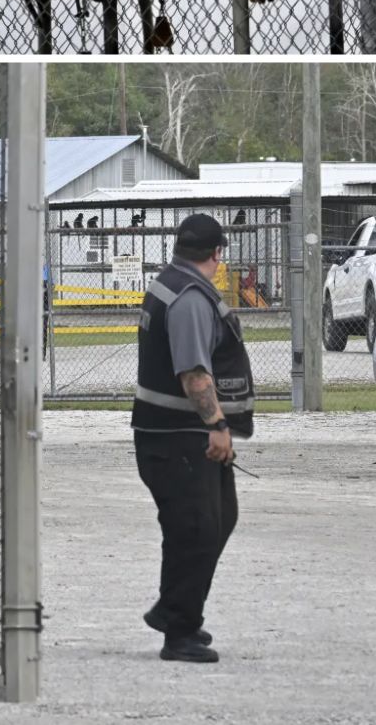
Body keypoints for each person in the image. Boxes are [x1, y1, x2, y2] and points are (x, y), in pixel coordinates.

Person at [131, 212, 255, 663]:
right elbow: (194, 373)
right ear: (218, 254)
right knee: (198, 528)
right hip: (179, 436)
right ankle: (179, 631)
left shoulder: (172, 281)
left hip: (168, 433)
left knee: (216, 519)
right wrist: (218, 427)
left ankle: (175, 611)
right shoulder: (189, 298)